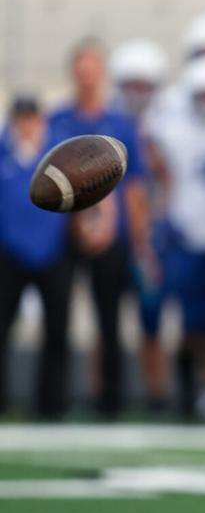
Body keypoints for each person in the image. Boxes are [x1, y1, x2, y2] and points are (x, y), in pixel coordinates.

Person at [47, 38, 150, 419]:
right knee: (57, 318)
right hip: (65, 234)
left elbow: (134, 186)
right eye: (81, 68)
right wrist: (76, 222)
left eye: (92, 68)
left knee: (110, 321)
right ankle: (52, 402)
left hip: (112, 236)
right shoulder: (57, 120)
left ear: (102, 73)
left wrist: (136, 237)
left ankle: (111, 401)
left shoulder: (120, 123)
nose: (86, 77)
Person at [143, 56, 205, 420]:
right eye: (203, 94)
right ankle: (187, 394)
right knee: (188, 323)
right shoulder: (172, 127)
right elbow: (154, 169)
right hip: (183, 234)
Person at [0, 96, 75, 419]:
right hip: (10, 251)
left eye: (32, 117)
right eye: (22, 117)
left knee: (57, 330)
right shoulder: (4, 152)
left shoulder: (57, 152)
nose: (27, 124)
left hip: (54, 250)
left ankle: (51, 404)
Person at [110, 37, 172, 413]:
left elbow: (169, 179)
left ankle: (157, 391)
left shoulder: (168, 123)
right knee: (109, 319)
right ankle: (104, 393)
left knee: (153, 320)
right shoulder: (109, 123)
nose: (137, 93)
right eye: (130, 84)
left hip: (154, 234)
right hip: (116, 233)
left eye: (143, 85)